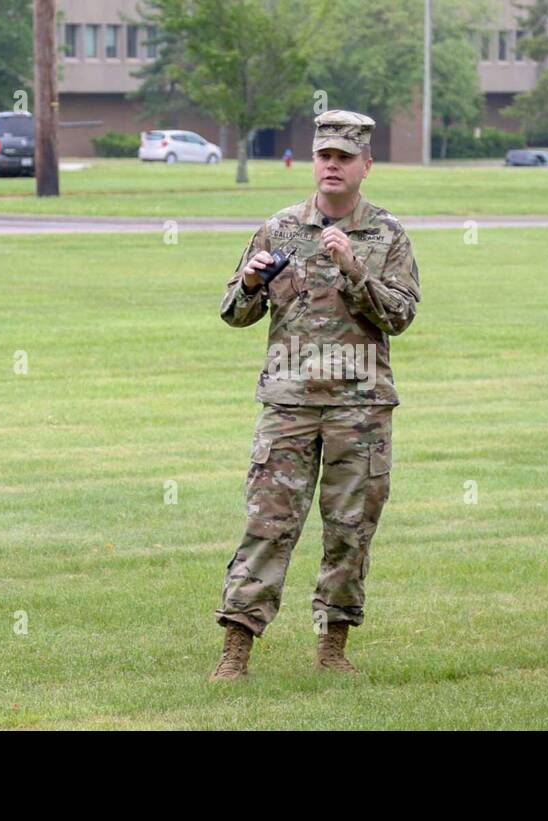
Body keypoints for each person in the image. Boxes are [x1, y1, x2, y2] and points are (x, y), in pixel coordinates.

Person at [211, 110, 421, 681]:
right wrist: (252, 282)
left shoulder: (387, 235)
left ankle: (333, 648)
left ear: (366, 166)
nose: (332, 165)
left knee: (350, 529)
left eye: (344, 157)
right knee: (268, 524)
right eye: (324, 156)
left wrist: (354, 269)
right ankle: (236, 651)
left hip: (361, 406)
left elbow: (400, 315)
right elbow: (232, 313)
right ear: (314, 162)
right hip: (289, 403)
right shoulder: (278, 228)